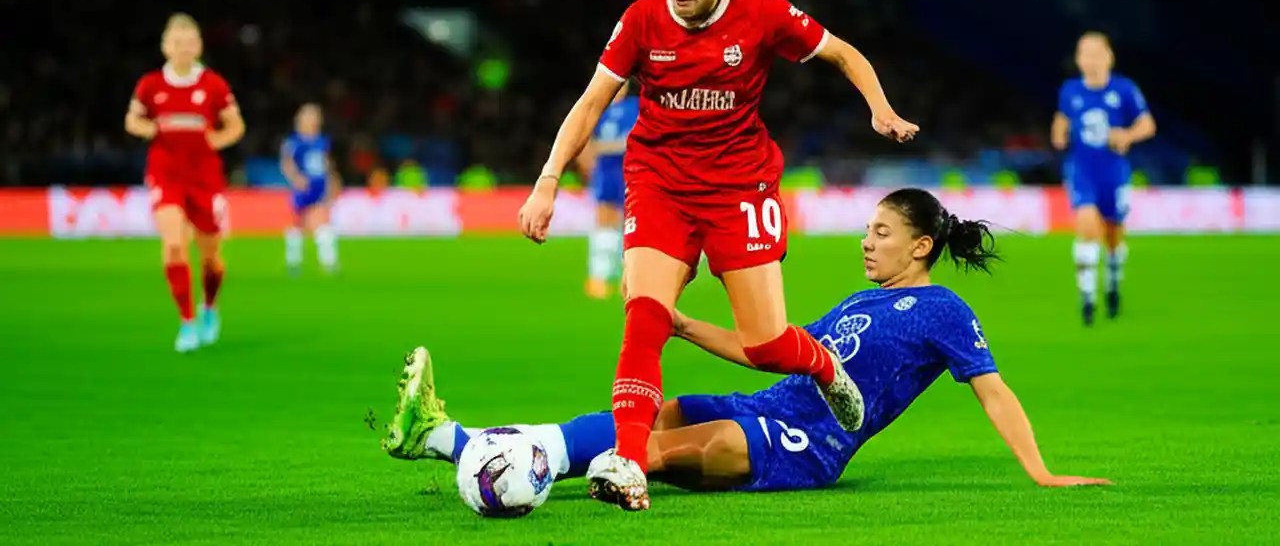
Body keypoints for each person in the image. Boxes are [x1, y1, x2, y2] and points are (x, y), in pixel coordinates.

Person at [517, 0, 919, 510]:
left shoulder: (764, 15)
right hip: (660, 183)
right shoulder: (642, 19)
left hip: (740, 186)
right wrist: (548, 180)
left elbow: (842, 53)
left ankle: (821, 364)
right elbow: (591, 102)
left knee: (765, 344)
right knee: (644, 315)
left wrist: (880, 108)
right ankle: (629, 461)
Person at [387, 188, 1111, 502]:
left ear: (921, 246)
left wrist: (1041, 472)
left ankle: (510, 472)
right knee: (647, 418)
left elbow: (993, 389)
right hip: (764, 404)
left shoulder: (944, 310)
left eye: (882, 233)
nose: (866, 241)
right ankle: (448, 439)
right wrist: (682, 325)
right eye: (866, 229)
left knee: (659, 451)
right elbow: (768, 348)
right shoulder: (859, 301)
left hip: (807, 445)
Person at [124, 13, 245, 352]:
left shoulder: (213, 85)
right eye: (177, 43)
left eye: (190, 42)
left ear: (199, 46)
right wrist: (149, 128)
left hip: (204, 177)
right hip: (165, 174)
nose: (183, 49)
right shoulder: (150, 85)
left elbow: (236, 125)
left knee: (211, 255)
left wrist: (216, 140)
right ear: (166, 46)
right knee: (175, 244)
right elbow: (132, 120)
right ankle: (187, 322)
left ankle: (209, 307)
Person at [1050, 32, 1156, 325]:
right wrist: (1058, 133)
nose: (1090, 60)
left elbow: (1147, 124)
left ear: (1109, 56)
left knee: (1112, 234)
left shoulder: (1123, 89)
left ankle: (1112, 283)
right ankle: (1087, 299)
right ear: (1078, 59)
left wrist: (1128, 135)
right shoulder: (1071, 90)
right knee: (1086, 226)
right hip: (1082, 170)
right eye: (1084, 53)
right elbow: (1062, 118)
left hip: (1114, 172)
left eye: (1096, 53)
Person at [575, 81, 640, 299]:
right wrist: (588, 161)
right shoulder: (598, 107)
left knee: (632, 222)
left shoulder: (635, 106)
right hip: (606, 171)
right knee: (605, 219)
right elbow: (586, 138)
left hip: (630, 169)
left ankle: (630, 277)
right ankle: (598, 277)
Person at [280, 103, 341, 274]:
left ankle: (328, 261)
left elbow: (327, 164)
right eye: (309, 116)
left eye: (315, 116)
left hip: (319, 185)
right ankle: (294, 261)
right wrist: (295, 178)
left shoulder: (322, 141)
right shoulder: (293, 142)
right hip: (303, 186)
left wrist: (332, 182)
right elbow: (287, 163)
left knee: (321, 222)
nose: (313, 120)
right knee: (297, 224)